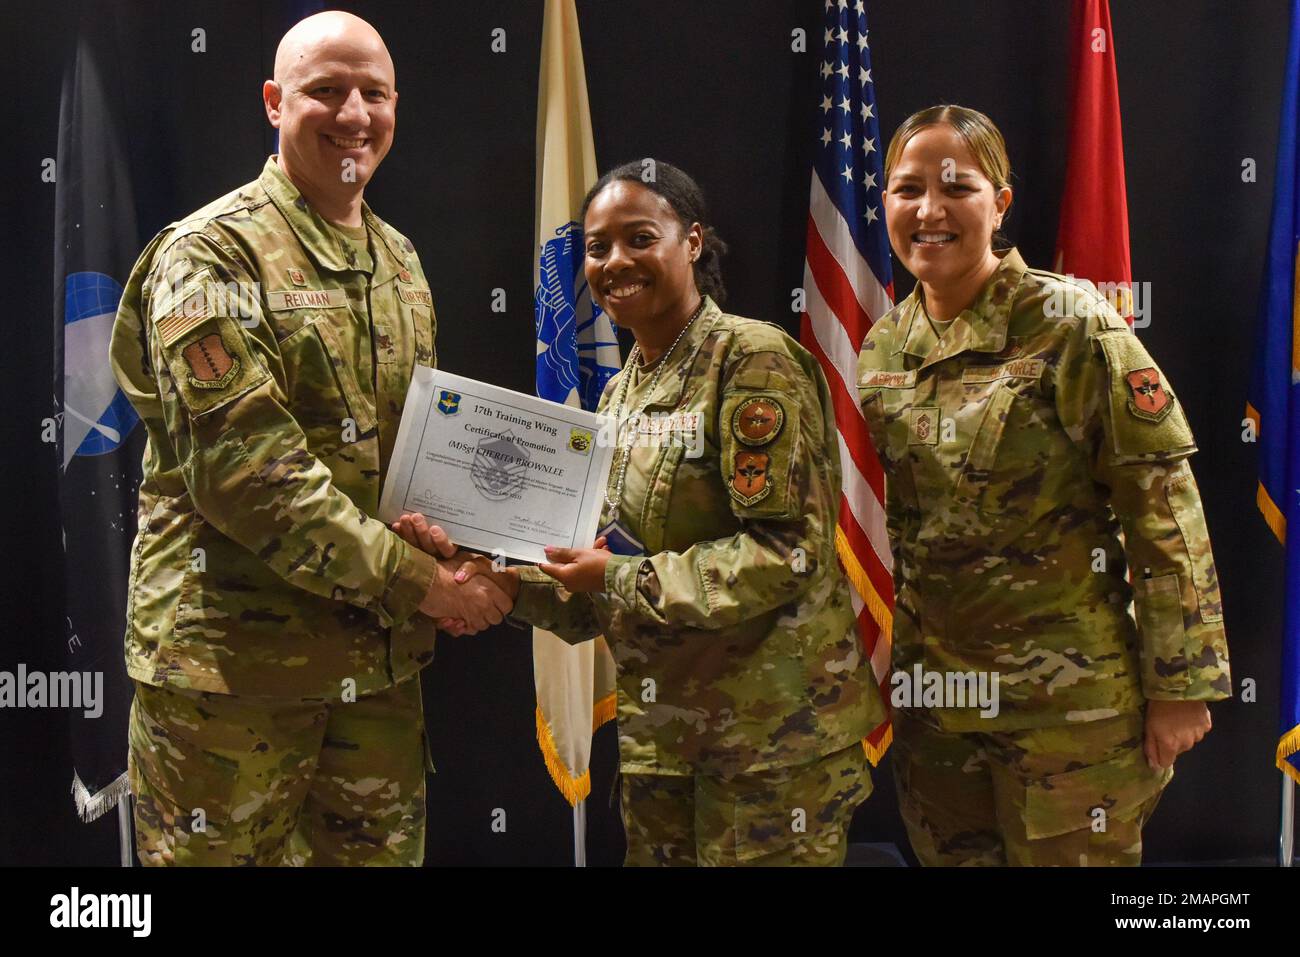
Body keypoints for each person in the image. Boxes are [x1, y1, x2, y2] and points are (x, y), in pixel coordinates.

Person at [397, 161, 886, 866]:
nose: (615, 262)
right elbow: (608, 571)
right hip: (665, 743)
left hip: (771, 749)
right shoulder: (621, 394)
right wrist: (506, 589)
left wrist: (617, 578)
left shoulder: (750, 362)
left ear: (691, 242)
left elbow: (788, 554)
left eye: (638, 238)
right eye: (597, 248)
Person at [109, 11, 510, 866]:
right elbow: (252, 477)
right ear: (272, 102)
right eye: (325, 91)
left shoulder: (399, 260)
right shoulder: (210, 257)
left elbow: (404, 465)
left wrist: (432, 538)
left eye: (374, 92)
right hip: (234, 683)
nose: (353, 114)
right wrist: (426, 585)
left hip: (375, 675)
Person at [856, 104, 1230, 866]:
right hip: (938, 705)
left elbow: (1162, 505)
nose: (929, 209)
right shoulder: (884, 345)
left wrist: (1181, 682)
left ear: (999, 202)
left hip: (1068, 710)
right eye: (907, 188)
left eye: (956, 186)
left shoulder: (1072, 323)